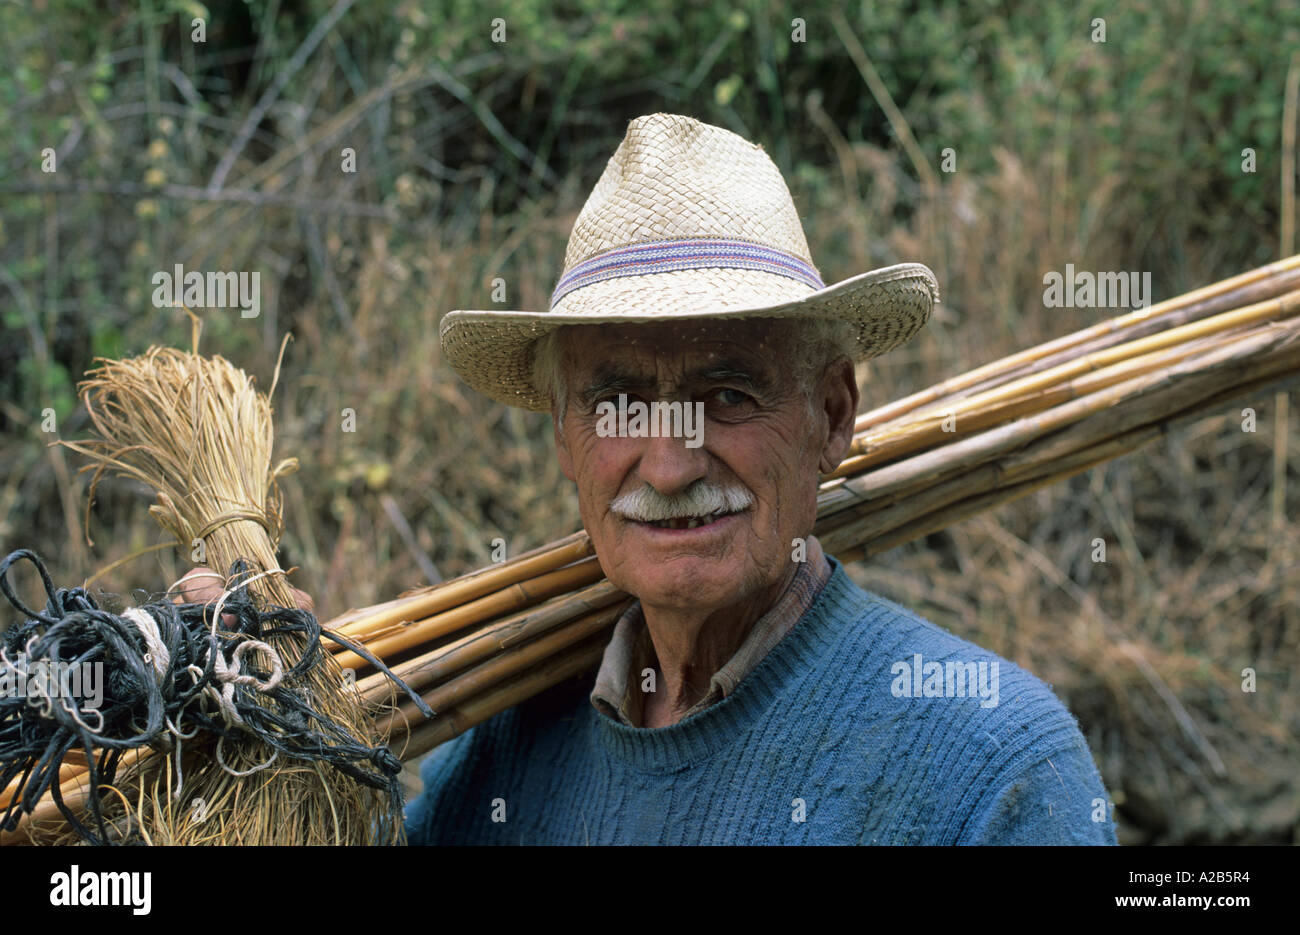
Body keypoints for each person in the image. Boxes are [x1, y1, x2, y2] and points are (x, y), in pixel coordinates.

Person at [183, 113, 1117, 845]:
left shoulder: (990, 760)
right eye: (618, 401)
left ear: (831, 415)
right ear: (562, 436)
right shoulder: (503, 745)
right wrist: (268, 742)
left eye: (726, 392)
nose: (668, 465)